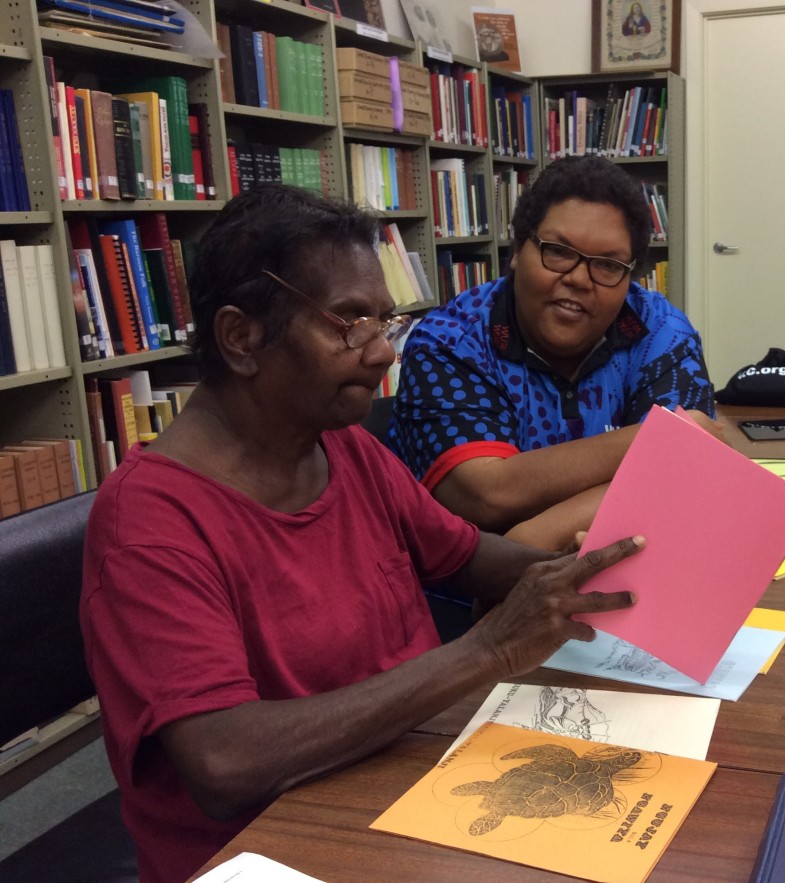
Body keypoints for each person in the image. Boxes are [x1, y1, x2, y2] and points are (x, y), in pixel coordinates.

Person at [79, 185, 641, 883]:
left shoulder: (343, 449)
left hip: (407, 794)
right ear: (240, 337)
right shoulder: (152, 522)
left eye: (385, 321)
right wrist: (488, 649)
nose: (381, 353)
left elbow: (469, 557)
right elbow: (225, 762)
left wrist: (599, 574)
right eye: (348, 322)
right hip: (276, 850)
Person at [389, 155, 722, 550]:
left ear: (631, 276)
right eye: (559, 252)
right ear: (517, 251)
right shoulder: (448, 341)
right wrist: (667, 439)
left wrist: (536, 536)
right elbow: (486, 495)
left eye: (608, 265)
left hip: (627, 570)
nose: (580, 279)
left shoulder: (659, 329)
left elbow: (688, 470)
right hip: (469, 594)